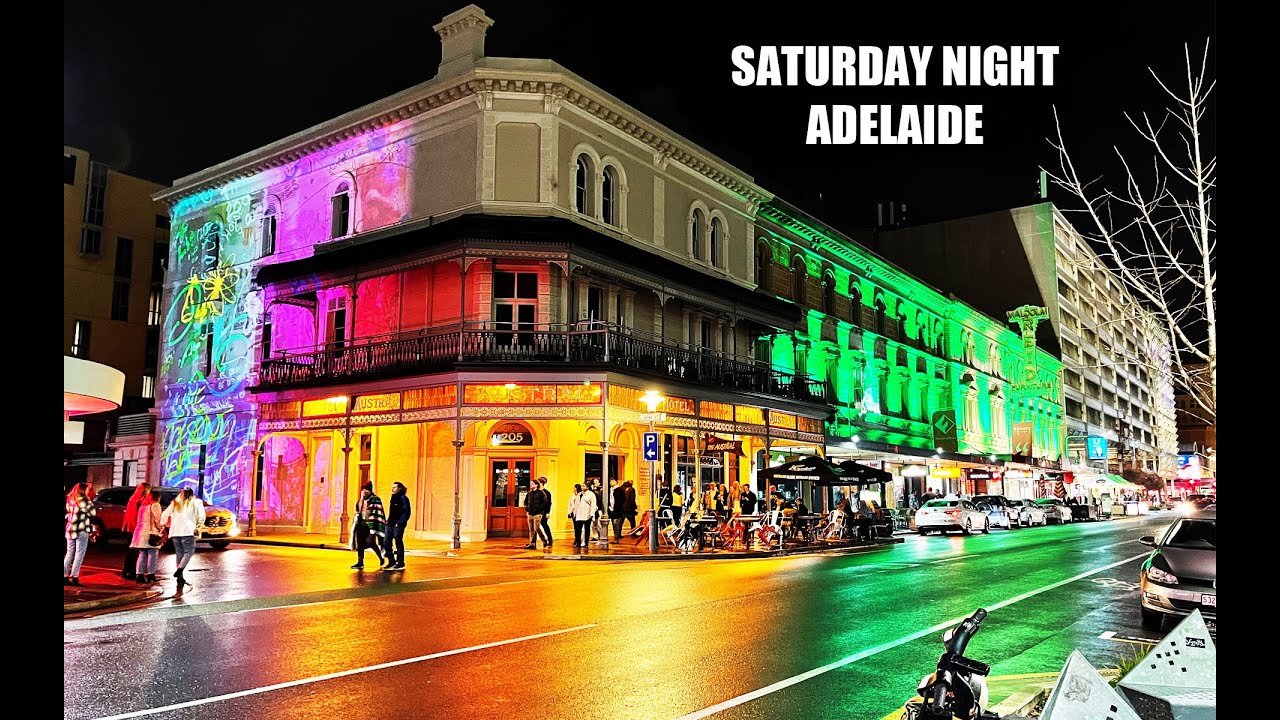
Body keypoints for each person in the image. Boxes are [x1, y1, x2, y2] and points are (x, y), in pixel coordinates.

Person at [162, 488, 206, 587]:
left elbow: (165, 514)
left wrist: (163, 524)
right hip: (189, 531)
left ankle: (180, 576)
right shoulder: (196, 502)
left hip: (175, 531)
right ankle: (180, 569)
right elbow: (201, 516)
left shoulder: (175, 502)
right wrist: (199, 525)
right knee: (189, 551)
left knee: (179, 553)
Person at [64, 483, 97, 586]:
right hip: (81, 529)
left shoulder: (70, 500)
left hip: (70, 529)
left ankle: (64, 576)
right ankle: (74, 576)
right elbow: (93, 513)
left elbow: (68, 513)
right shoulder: (85, 501)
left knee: (69, 553)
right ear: (83, 490)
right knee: (79, 554)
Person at [131, 489, 164, 584]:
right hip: (151, 532)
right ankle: (151, 574)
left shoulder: (142, 506)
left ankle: (139, 575)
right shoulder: (155, 505)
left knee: (142, 554)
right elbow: (158, 520)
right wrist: (161, 528)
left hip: (140, 532)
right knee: (153, 554)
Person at [351, 482, 387, 569]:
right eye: (363, 489)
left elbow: (378, 513)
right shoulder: (361, 500)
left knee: (371, 542)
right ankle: (360, 562)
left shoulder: (375, 499)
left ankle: (381, 557)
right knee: (360, 543)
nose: (364, 491)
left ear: (370, 491)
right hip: (361, 524)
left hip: (371, 525)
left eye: (367, 489)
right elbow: (358, 510)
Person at [121, 482, 151, 580]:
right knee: (136, 551)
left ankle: (126, 571)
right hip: (136, 527)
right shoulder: (141, 500)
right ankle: (133, 572)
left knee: (130, 550)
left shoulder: (132, 498)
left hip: (130, 527)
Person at [385, 482, 411, 569]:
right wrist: (388, 520)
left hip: (398, 525)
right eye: (392, 487)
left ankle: (400, 561)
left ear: (400, 488)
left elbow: (406, 512)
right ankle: (391, 560)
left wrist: (400, 522)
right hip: (390, 523)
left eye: (395, 487)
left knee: (398, 541)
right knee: (386, 542)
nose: (393, 489)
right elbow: (392, 511)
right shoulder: (393, 498)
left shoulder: (403, 498)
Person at [523, 477, 550, 551]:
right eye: (530, 483)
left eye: (532, 483)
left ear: (536, 485)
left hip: (538, 513)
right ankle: (532, 543)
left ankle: (544, 541)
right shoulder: (529, 493)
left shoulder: (541, 493)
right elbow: (525, 502)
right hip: (530, 513)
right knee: (531, 529)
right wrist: (527, 510)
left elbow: (545, 502)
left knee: (536, 528)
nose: (531, 485)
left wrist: (539, 509)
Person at [568, 483, 597, 548]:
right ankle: (578, 543)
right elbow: (575, 504)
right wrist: (572, 512)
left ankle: (586, 543)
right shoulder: (579, 494)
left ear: (587, 487)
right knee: (578, 529)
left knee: (587, 529)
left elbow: (593, 504)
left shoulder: (591, 494)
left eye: (583, 486)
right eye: (581, 486)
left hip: (587, 514)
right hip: (578, 514)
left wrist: (592, 514)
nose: (582, 487)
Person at [537, 478, 553, 546]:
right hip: (536, 511)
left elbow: (549, 503)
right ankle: (533, 541)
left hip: (543, 511)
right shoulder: (536, 491)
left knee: (544, 525)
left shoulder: (547, 493)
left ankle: (550, 539)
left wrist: (547, 512)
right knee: (536, 527)